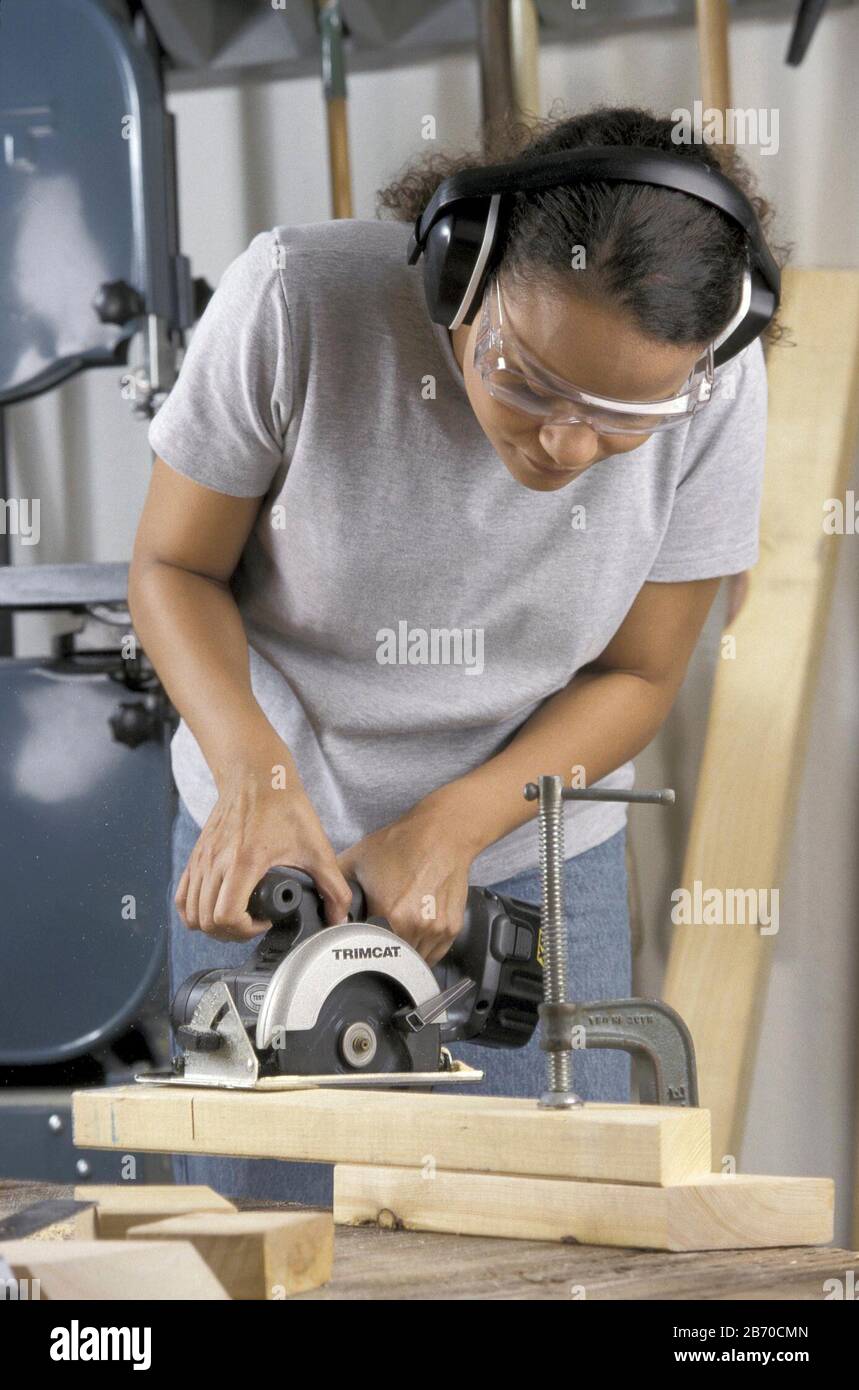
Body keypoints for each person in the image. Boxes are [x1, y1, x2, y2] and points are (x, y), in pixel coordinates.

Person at [128, 105, 786, 1202]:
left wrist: (454, 824)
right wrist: (255, 772)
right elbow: (170, 570)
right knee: (273, 1239)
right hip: (273, 851)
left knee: (539, 1238)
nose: (568, 444)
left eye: (623, 415)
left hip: (525, 861)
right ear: (455, 269)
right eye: (525, 376)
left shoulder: (710, 385)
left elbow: (637, 677)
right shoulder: (300, 302)